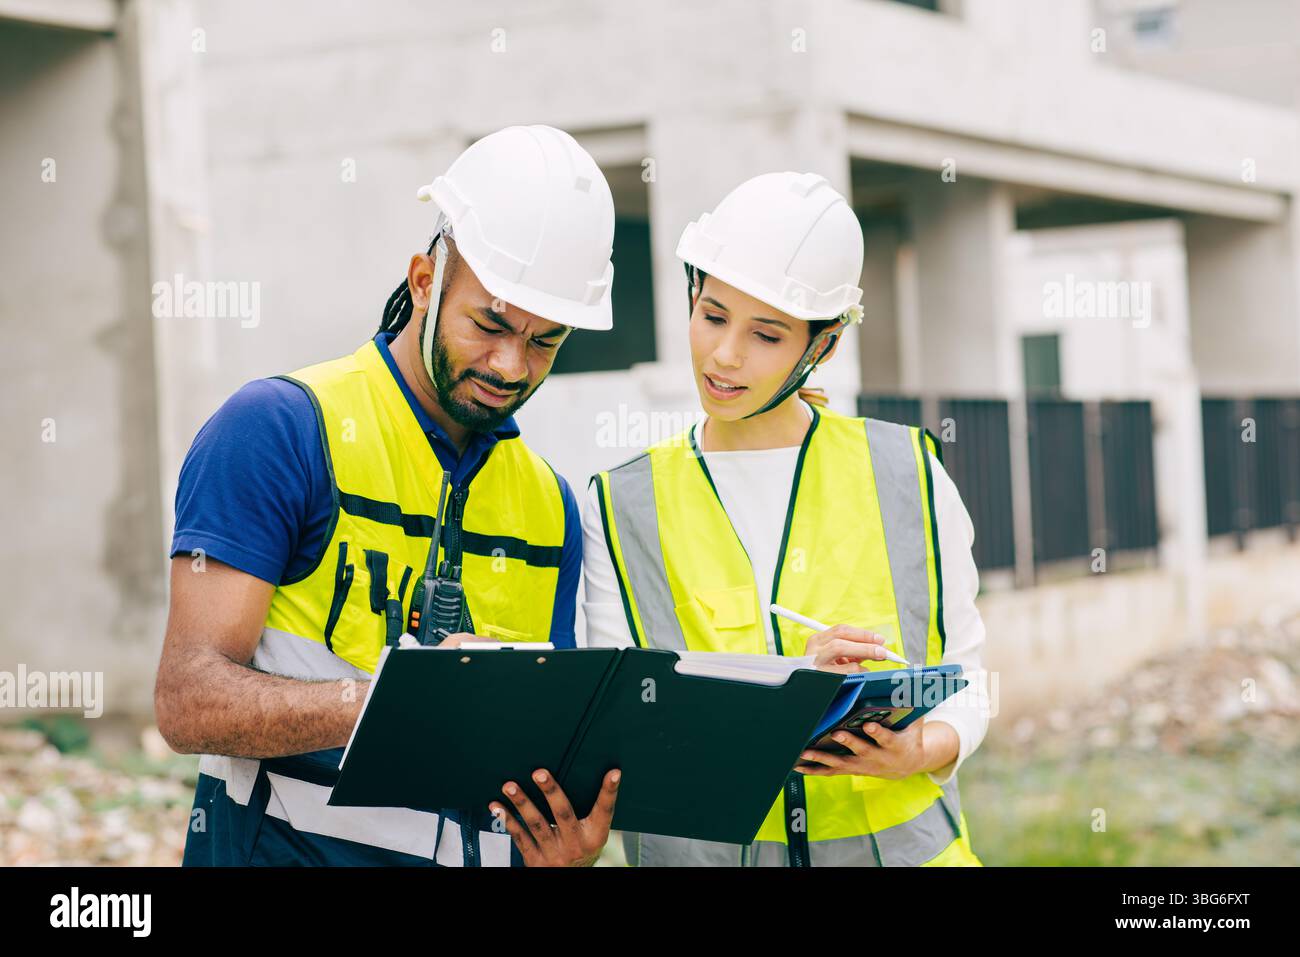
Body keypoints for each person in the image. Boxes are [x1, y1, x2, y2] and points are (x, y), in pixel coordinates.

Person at [156, 125, 620, 867]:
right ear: (425, 280)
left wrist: (562, 847)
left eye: (545, 342)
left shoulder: (552, 507)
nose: (510, 364)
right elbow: (187, 701)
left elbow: (535, 769)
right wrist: (389, 702)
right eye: (490, 323)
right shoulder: (279, 430)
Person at [583, 171, 989, 866]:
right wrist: (785, 693)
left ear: (822, 345)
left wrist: (923, 747)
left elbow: (968, 673)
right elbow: (619, 726)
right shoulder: (620, 505)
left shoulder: (907, 472)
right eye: (712, 316)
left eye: (766, 334)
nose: (725, 355)